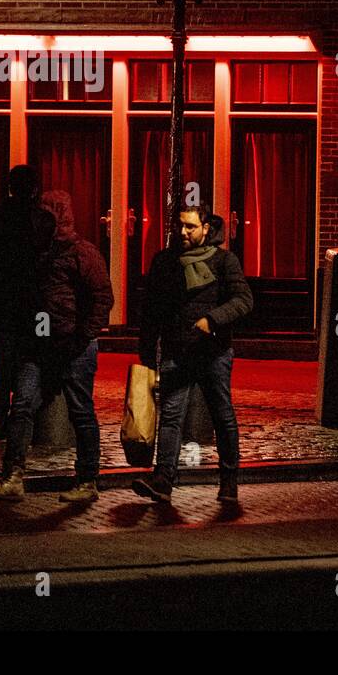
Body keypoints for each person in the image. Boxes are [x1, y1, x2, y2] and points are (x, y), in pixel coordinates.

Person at [0, 191, 113, 503]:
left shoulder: (83, 253)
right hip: (38, 345)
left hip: (73, 346)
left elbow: (101, 299)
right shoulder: (32, 251)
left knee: (81, 411)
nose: (38, 223)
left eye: (46, 218)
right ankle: (13, 476)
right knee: (23, 406)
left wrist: (82, 337)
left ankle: (87, 480)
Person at [134, 204, 253, 504]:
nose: (184, 232)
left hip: (213, 352)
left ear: (206, 229)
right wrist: (147, 350)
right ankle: (163, 480)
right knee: (171, 416)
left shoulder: (224, 261)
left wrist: (212, 319)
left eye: (190, 227)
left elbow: (243, 299)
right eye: (181, 226)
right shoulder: (165, 262)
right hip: (177, 349)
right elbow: (151, 310)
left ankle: (228, 481)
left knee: (222, 415)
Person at [0, 165, 56, 441]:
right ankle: (24, 416)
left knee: (3, 361)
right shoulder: (43, 221)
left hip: (3, 302)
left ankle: (1, 418)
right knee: (32, 359)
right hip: (33, 303)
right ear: (34, 190)